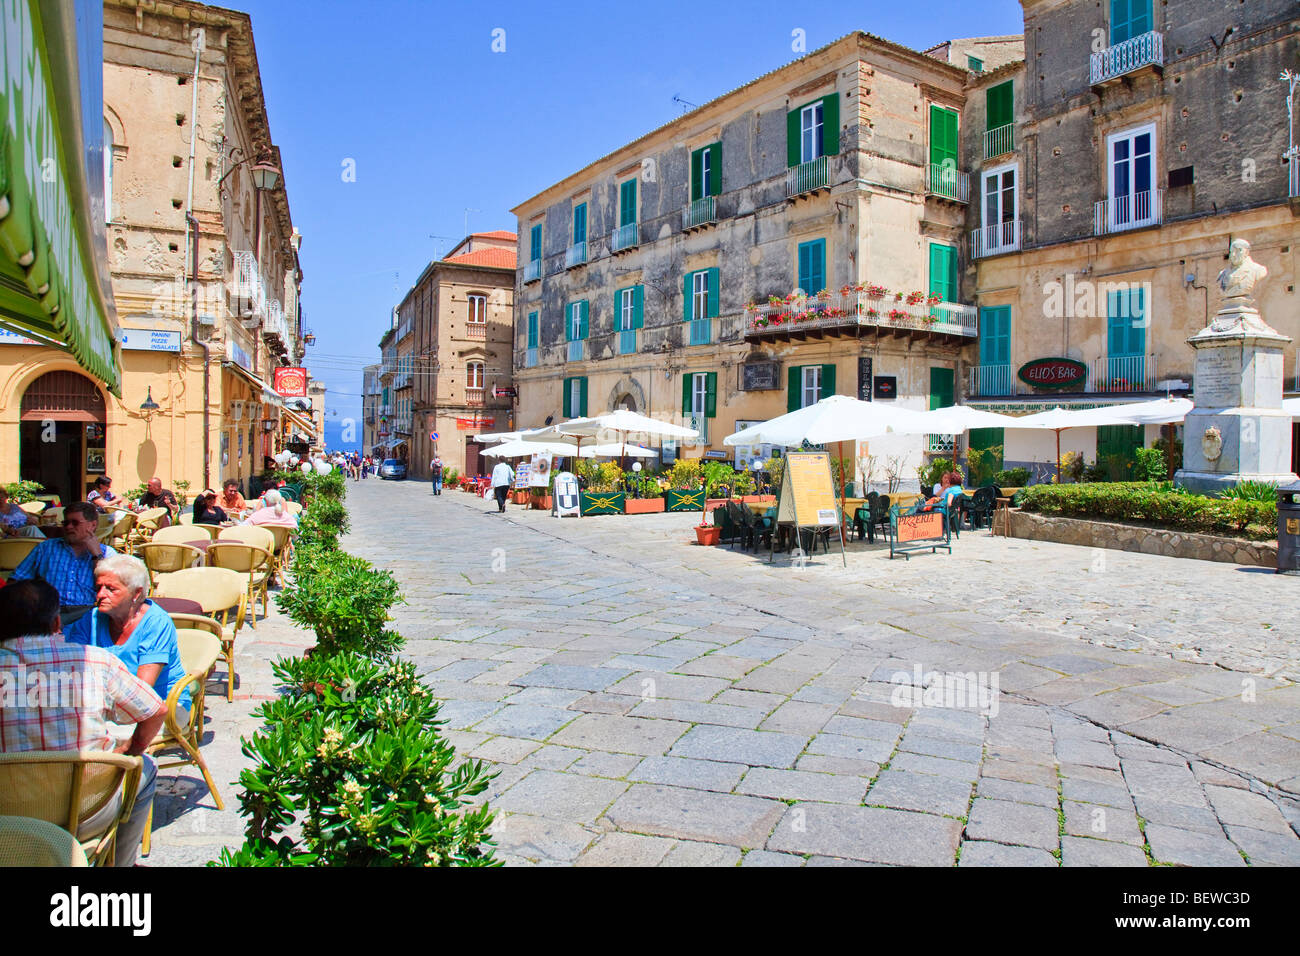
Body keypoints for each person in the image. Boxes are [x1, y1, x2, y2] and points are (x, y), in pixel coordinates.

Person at [0, 580, 166, 867]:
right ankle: (119, 864)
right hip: (86, 811)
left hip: (7, 818)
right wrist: (131, 749)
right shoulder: (96, 661)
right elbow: (156, 711)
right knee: (145, 768)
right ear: (56, 622)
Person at [66, 554, 191, 713]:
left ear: (136, 593)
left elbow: (143, 691)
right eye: (98, 588)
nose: (100, 595)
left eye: (111, 589)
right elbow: (71, 662)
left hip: (159, 706)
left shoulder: (156, 623)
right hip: (105, 703)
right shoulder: (93, 618)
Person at [10, 502, 115, 610]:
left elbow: (112, 589)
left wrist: (96, 555)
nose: (69, 527)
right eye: (66, 523)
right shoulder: (46, 548)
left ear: (93, 525)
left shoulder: (107, 553)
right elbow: (16, 580)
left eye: (75, 523)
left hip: (86, 613)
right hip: (48, 611)